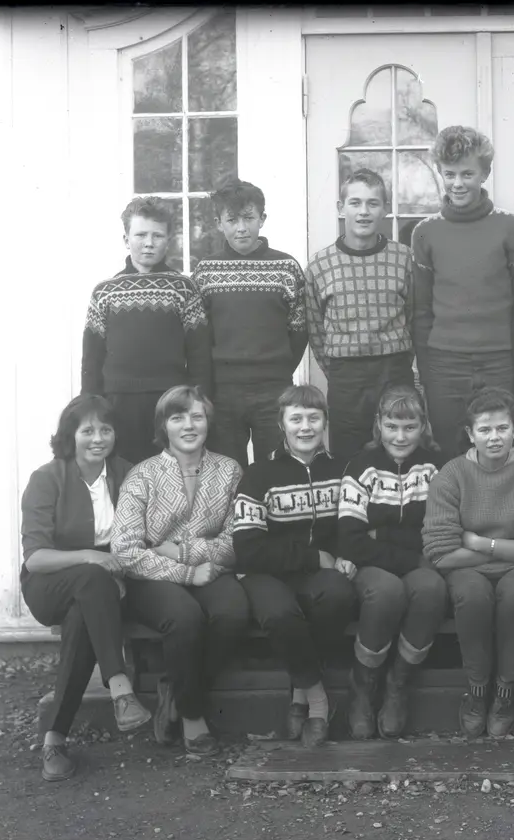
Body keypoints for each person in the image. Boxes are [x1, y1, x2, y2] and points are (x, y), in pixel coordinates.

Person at [20, 395, 152, 782]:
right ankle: (121, 688)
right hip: (50, 583)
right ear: (70, 435)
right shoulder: (48, 478)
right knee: (92, 579)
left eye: (105, 429)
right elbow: (36, 558)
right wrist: (91, 558)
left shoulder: (127, 474)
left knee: (83, 616)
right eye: (88, 430)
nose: (98, 438)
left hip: (106, 586)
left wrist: (115, 569)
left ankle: (54, 740)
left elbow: (141, 536)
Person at [111, 386, 249, 756]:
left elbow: (238, 540)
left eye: (197, 416)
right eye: (177, 417)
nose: (189, 426)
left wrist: (184, 551)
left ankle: (175, 685)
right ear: (163, 426)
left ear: (208, 422)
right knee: (184, 617)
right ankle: (192, 716)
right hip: (152, 578)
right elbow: (125, 550)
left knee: (233, 614)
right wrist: (186, 573)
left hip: (212, 568)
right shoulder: (142, 476)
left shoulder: (229, 470)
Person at [231, 385, 358, 748]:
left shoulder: (342, 470)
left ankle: (299, 692)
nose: (306, 427)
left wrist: (347, 556)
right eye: (296, 418)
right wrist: (313, 556)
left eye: (314, 418)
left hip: (318, 575)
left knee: (337, 596)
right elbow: (247, 548)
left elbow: (351, 526)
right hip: (265, 573)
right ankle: (316, 697)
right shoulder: (259, 474)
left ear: (325, 423)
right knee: (280, 613)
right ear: (281, 424)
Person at [423, 387, 514, 737]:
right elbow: (440, 554)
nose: (495, 438)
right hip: (465, 570)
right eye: (485, 430)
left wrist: (480, 542)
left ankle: (506, 691)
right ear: (470, 434)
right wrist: (503, 547)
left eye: (503, 428)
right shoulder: (451, 475)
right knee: (474, 596)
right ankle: (478, 690)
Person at [412, 126, 514, 457]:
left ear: (485, 173)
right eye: (450, 174)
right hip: (444, 364)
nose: (458, 183)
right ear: (440, 172)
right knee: (450, 453)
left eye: (467, 174)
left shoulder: (511, 228)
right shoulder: (425, 233)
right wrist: (426, 371)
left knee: (502, 451)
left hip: (500, 361)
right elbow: (421, 311)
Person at [339, 385, 448, 739]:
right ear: (378, 426)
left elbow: (440, 529)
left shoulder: (436, 468)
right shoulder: (361, 467)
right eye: (391, 426)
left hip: (420, 562)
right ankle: (363, 687)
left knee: (430, 588)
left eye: (409, 427)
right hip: (376, 566)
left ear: (423, 427)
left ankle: (398, 684)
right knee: (386, 591)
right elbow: (351, 539)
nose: (400, 437)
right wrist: (409, 551)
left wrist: (381, 536)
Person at [82, 197, 212, 464]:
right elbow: (92, 359)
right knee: (124, 475)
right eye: (140, 235)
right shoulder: (105, 291)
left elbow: (200, 355)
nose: (149, 243)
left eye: (157, 235)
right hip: (118, 403)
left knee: (170, 472)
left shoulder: (183, 289)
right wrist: (91, 408)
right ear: (126, 239)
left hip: (170, 402)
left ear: (169, 239)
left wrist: (197, 404)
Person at [192, 179, 309, 469]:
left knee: (277, 467)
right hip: (224, 390)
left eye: (249, 218)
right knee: (229, 469)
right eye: (232, 220)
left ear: (262, 219)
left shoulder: (285, 268)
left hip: (274, 389)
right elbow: (200, 336)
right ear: (219, 223)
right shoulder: (206, 271)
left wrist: (278, 368)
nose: (241, 228)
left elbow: (299, 329)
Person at [305, 169, 416, 472]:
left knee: (401, 451)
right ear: (341, 209)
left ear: (385, 208)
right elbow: (314, 327)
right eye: (355, 203)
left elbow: (415, 315)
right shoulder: (320, 264)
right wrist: (339, 369)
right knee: (348, 460)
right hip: (346, 377)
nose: (364, 212)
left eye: (373, 203)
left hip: (394, 369)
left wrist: (400, 360)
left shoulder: (404, 258)